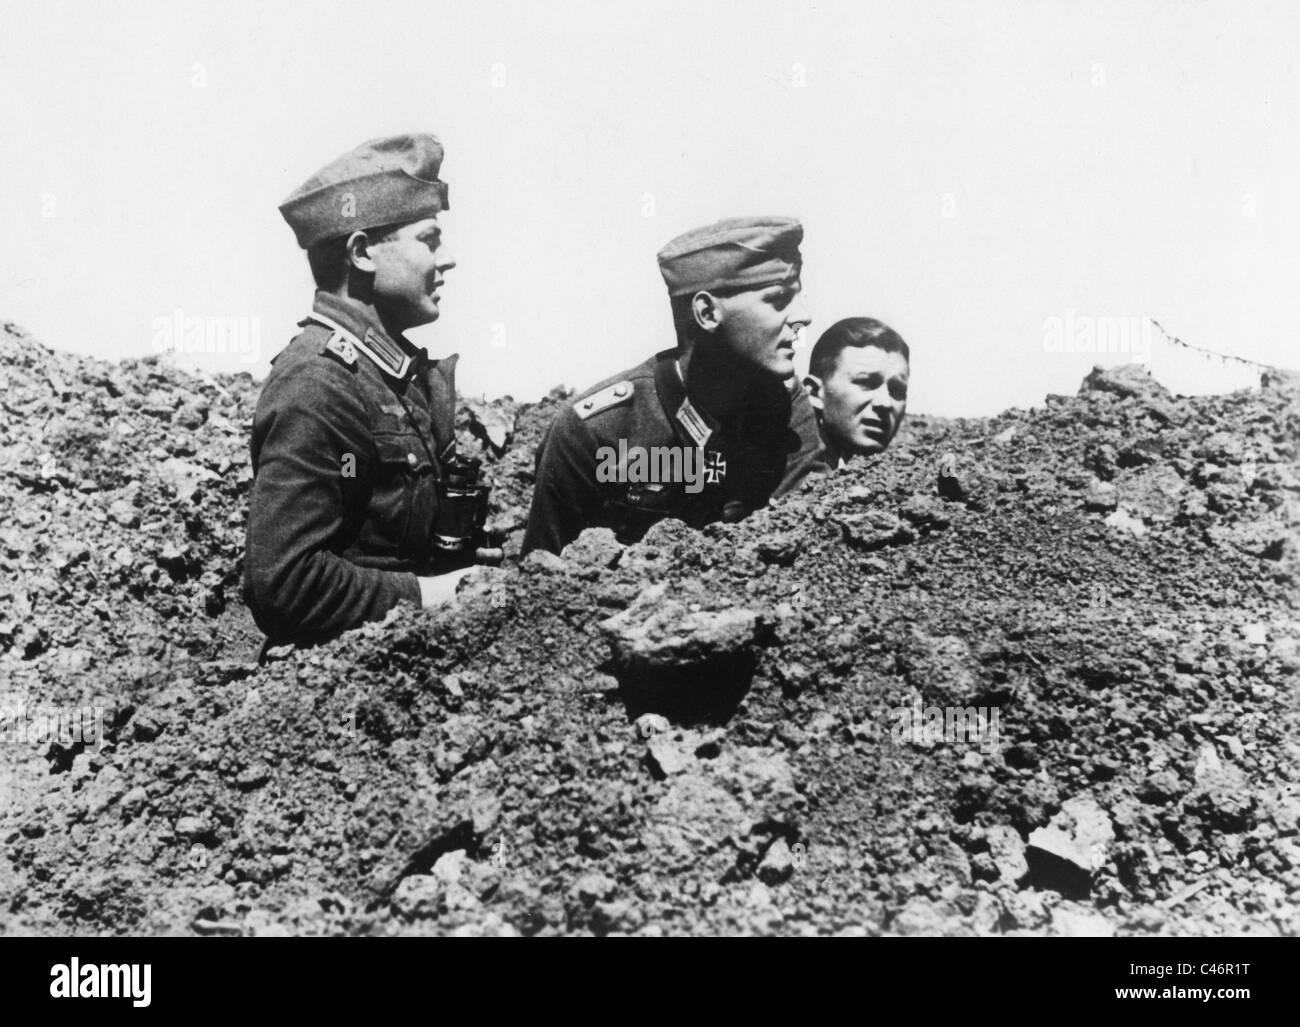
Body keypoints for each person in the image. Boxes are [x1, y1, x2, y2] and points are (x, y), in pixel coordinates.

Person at [244, 133, 490, 649]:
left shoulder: (385, 374)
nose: (447, 260)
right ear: (362, 253)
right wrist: (437, 594)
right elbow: (285, 584)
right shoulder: (319, 380)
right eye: (428, 239)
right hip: (333, 697)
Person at [522, 216, 828, 556]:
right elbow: (541, 578)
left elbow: (812, 542)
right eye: (779, 300)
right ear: (708, 313)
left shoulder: (781, 405)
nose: (805, 316)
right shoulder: (596, 430)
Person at [802, 316, 910, 468]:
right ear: (814, 392)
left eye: (897, 391)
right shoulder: (790, 469)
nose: (885, 403)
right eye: (866, 383)